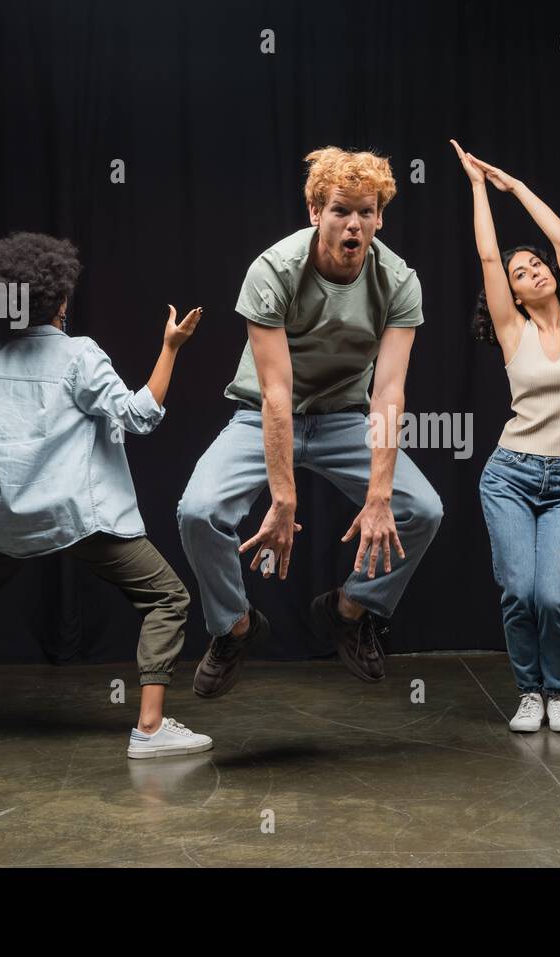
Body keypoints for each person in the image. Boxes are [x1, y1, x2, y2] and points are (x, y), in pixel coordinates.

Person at [0, 231, 209, 759]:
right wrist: (170, 348)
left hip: (0, 524)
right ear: (60, 300)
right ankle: (150, 730)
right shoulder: (80, 355)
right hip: (81, 519)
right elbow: (139, 417)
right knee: (167, 597)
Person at [177, 147, 443, 697]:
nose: (354, 224)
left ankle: (351, 609)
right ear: (315, 210)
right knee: (198, 512)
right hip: (263, 416)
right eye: (341, 210)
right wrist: (282, 497)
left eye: (366, 212)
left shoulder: (398, 281)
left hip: (345, 418)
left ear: (380, 216)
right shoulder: (273, 270)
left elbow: (389, 391)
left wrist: (379, 493)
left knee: (420, 509)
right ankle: (234, 627)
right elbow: (276, 391)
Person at [451, 140, 560, 734]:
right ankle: (529, 693)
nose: (533, 270)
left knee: (553, 597)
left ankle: (559, 693)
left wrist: (512, 187)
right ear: (511, 294)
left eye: (536, 264)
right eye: (521, 272)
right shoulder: (511, 331)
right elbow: (488, 258)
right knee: (518, 592)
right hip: (511, 475)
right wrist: (475, 189)